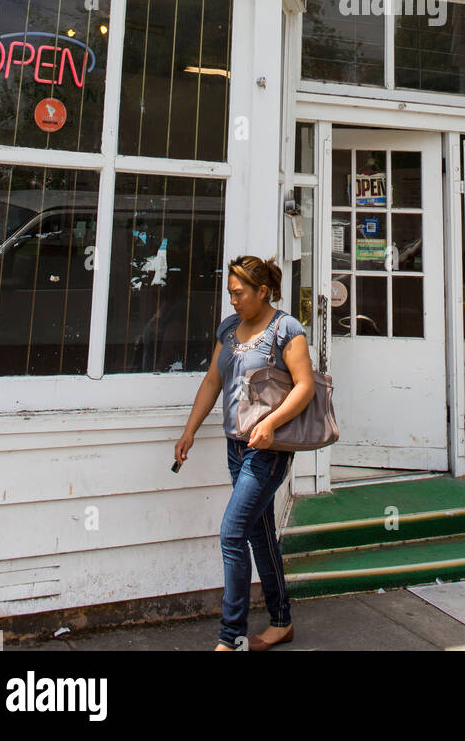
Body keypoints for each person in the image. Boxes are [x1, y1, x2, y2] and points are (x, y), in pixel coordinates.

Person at [174, 255, 315, 651]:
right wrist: (189, 431)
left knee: (232, 533)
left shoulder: (285, 329)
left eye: (238, 294)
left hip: (268, 450)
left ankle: (229, 636)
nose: (232, 301)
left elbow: (305, 387)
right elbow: (212, 381)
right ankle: (281, 622)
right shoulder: (230, 328)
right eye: (230, 294)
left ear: (262, 292)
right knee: (259, 533)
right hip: (237, 447)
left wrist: (270, 424)